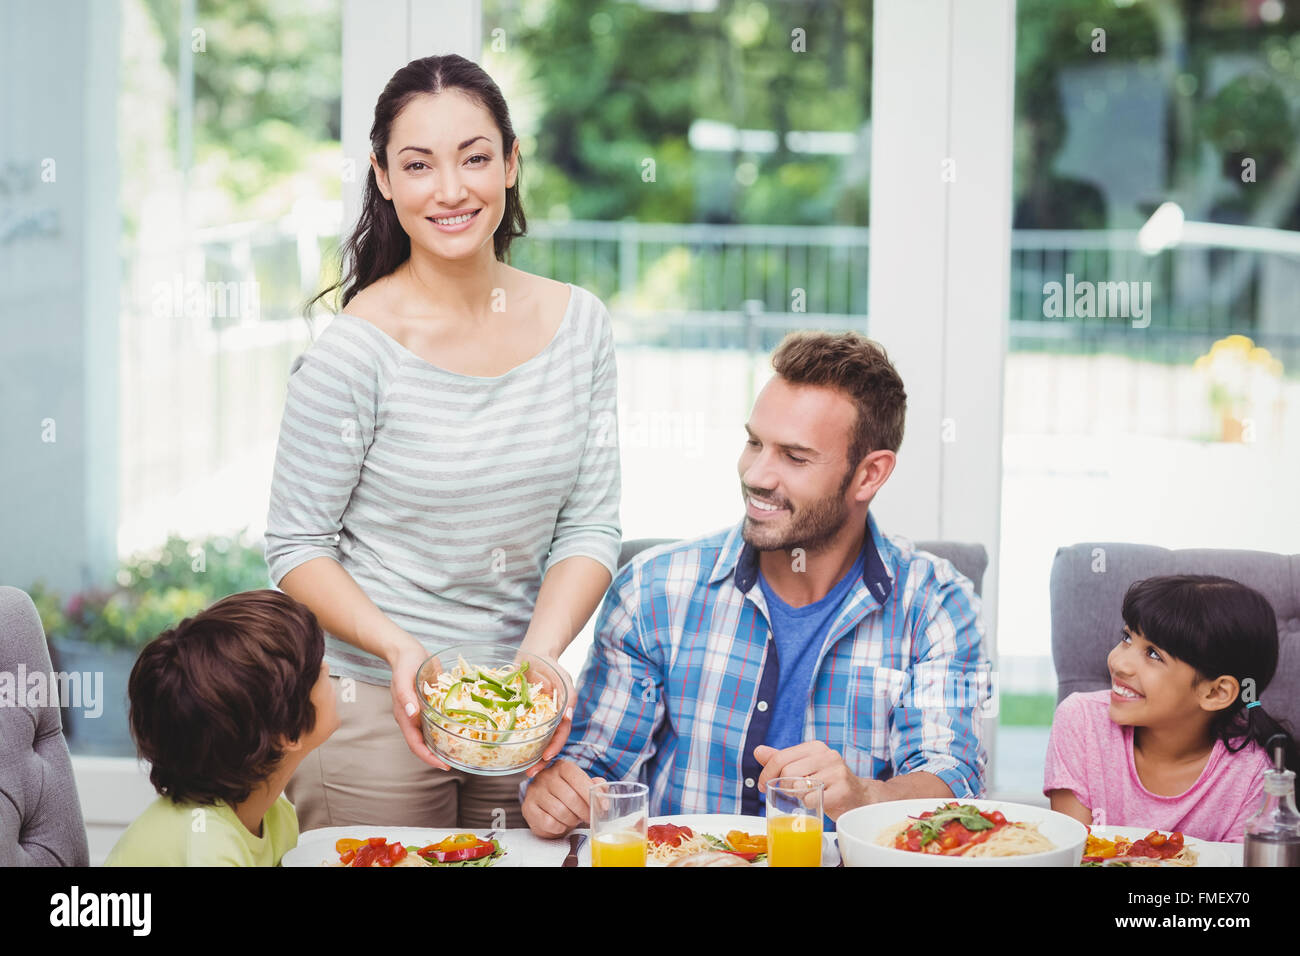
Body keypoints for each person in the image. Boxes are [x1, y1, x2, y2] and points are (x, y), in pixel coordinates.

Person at [264, 53, 620, 831]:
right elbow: (296, 545)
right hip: (369, 710)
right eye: (419, 165)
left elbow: (590, 525)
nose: (451, 190)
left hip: (520, 720)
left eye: (476, 157)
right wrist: (403, 654)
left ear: (512, 162)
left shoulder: (579, 326)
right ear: (383, 178)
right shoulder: (353, 352)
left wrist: (538, 664)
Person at [521, 331, 991, 836]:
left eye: (794, 456)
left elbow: (954, 780)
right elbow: (594, 767)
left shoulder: (939, 603)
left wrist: (864, 796)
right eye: (753, 442)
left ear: (869, 475)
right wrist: (555, 794)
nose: (756, 474)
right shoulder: (653, 589)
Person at [1044, 575, 1296, 843]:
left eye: (1153, 654)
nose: (1119, 663)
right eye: (1127, 637)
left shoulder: (1252, 773)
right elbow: (1072, 854)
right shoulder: (1081, 720)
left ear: (1216, 692)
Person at [105, 590, 337, 866]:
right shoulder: (211, 845)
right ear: (288, 733)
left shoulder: (277, 815)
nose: (326, 667)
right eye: (314, 671)